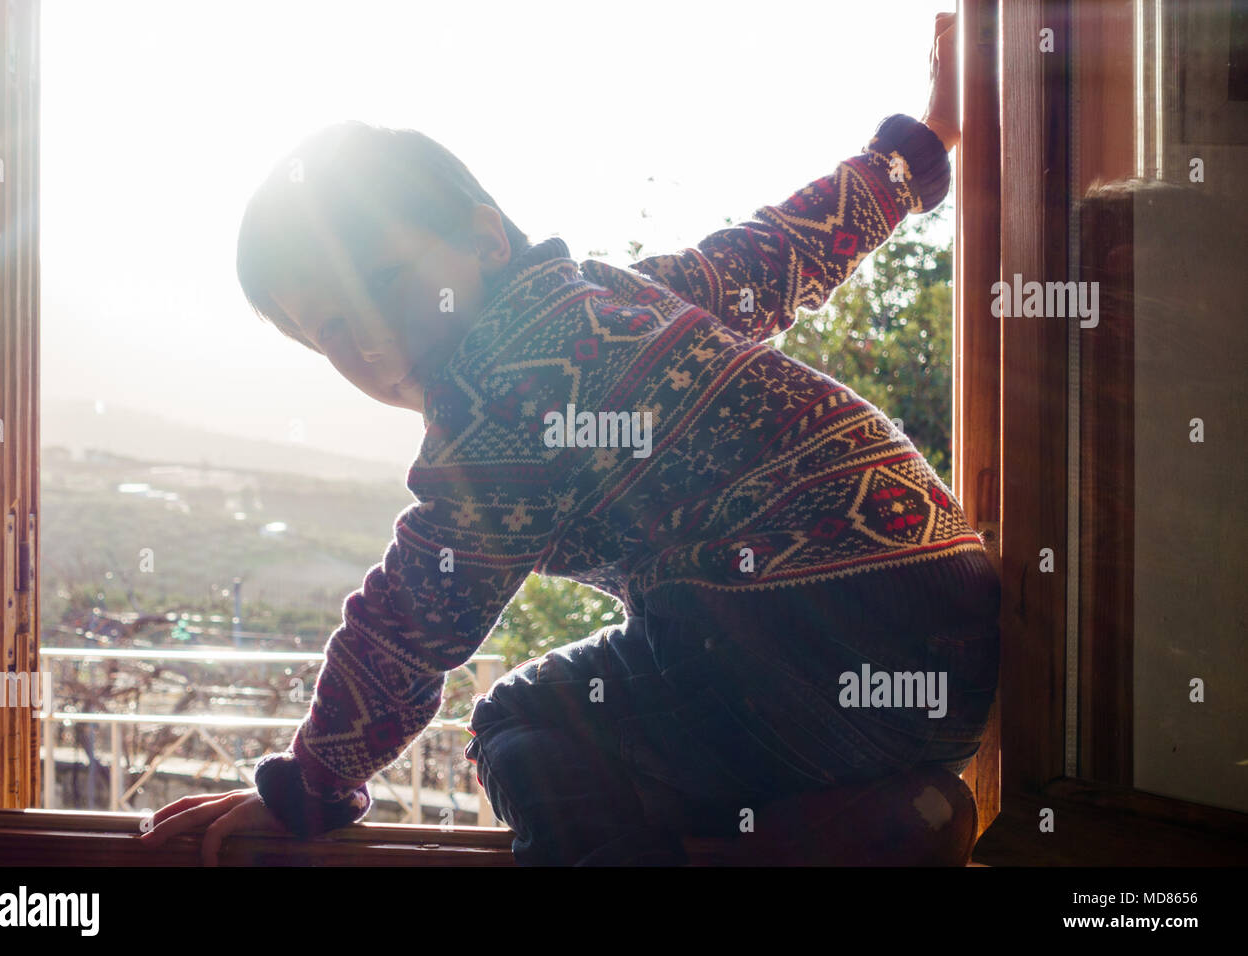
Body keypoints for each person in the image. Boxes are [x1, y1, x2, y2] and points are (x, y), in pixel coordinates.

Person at [143, 12, 999, 866]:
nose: (363, 339)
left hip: (805, 656)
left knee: (520, 721)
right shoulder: (632, 295)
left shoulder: (497, 394)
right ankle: (869, 824)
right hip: (952, 635)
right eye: (326, 326)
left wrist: (308, 793)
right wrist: (925, 142)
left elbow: (409, 625)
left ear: (484, 240)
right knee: (648, 710)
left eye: (382, 282)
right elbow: (785, 249)